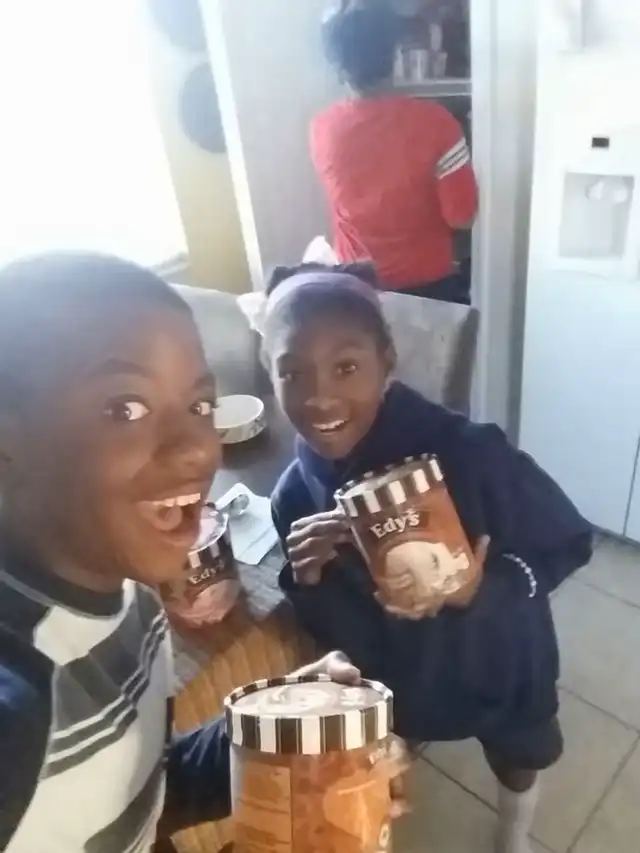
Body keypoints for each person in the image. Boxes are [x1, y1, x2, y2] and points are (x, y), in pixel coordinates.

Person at [0, 252, 408, 852]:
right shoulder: (18, 709)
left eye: (199, 405)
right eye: (125, 408)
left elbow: (142, 789)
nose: (197, 448)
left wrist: (270, 732)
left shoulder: (133, 594)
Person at [266, 262, 593, 853]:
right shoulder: (294, 496)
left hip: (498, 660)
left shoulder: (471, 454)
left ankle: (514, 833)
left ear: (387, 361)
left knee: (516, 756)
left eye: (346, 367)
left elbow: (566, 540)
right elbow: (332, 631)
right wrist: (308, 580)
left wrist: (483, 589)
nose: (319, 397)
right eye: (292, 372)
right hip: (405, 678)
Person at [310, 4, 479, 305]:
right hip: (429, 286)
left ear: (337, 67)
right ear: (396, 55)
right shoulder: (438, 124)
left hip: (358, 287)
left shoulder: (321, 127)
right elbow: (462, 218)